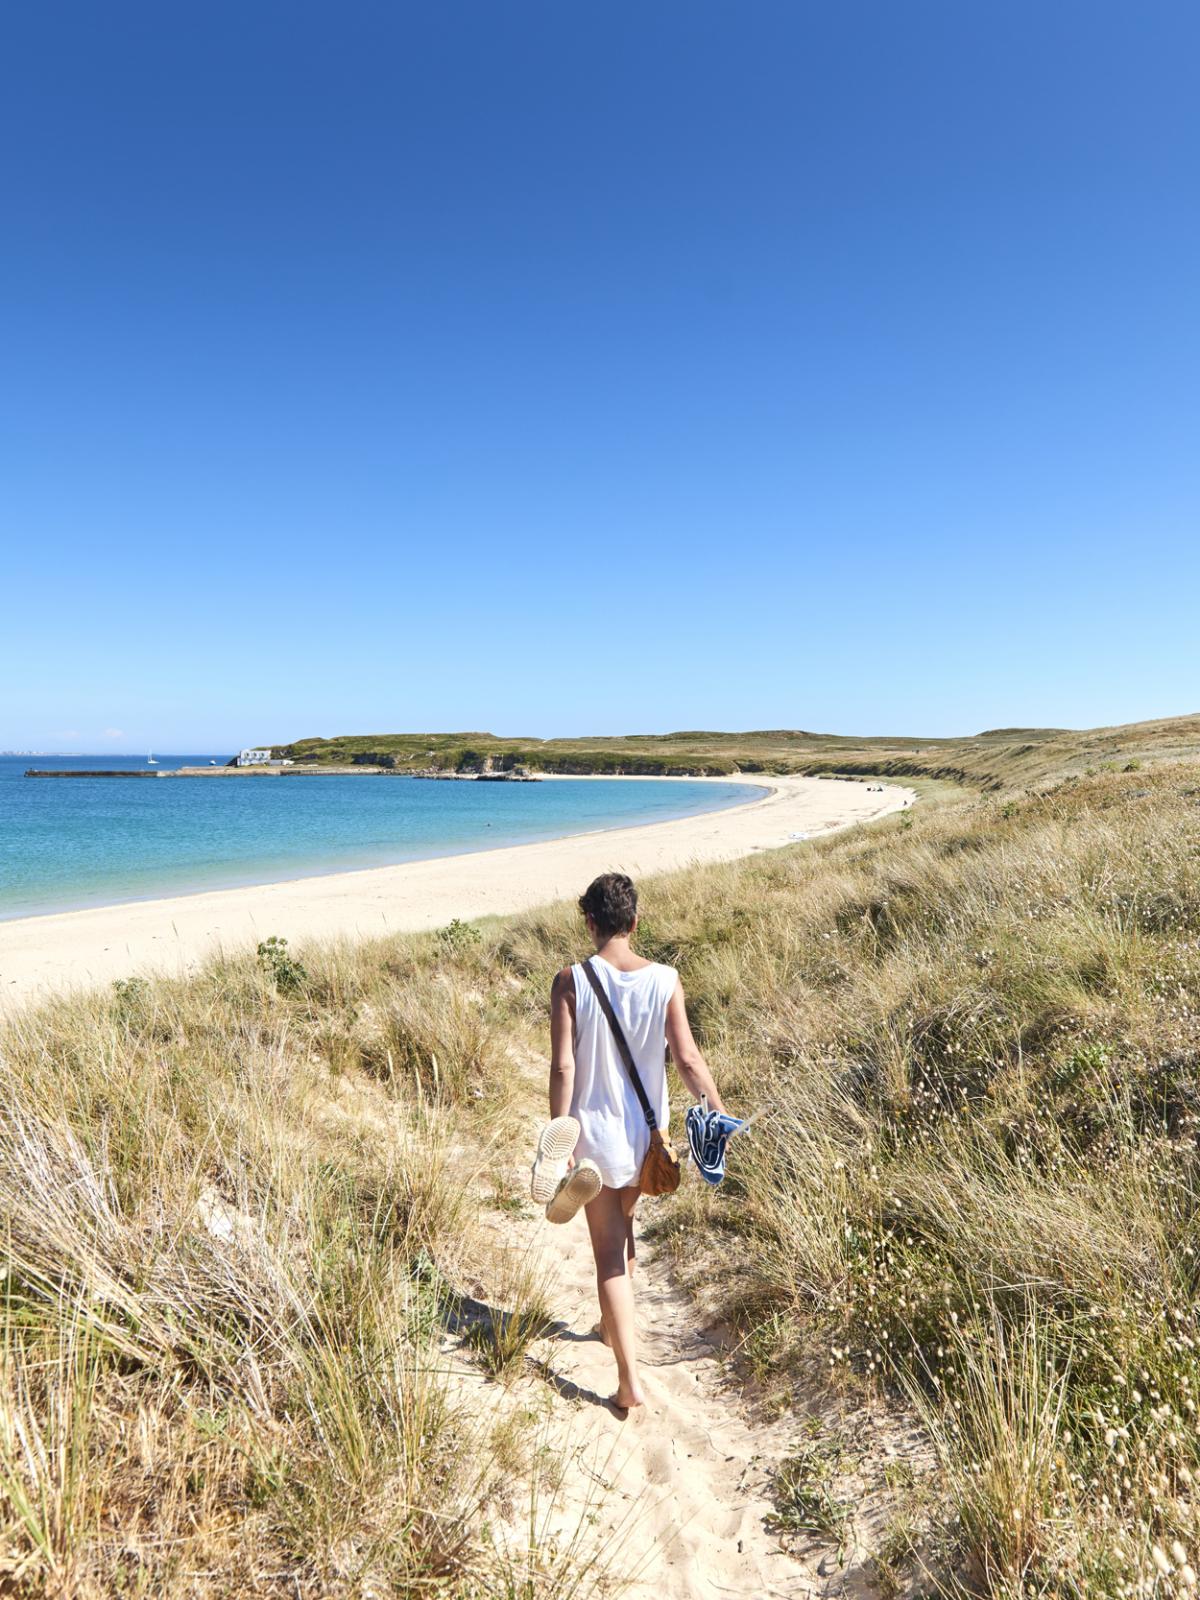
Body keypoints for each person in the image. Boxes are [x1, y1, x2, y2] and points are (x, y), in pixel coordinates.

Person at [540, 871, 727, 1415]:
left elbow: (562, 1065)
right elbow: (688, 1059)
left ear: (591, 923)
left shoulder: (569, 980)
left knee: (608, 1257)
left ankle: (628, 1380)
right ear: (635, 922)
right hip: (648, 1135)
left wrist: (560, 1134)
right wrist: (714, 1106)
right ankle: (607, 1325)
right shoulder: (666, 979)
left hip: (595, 1139)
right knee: (624, 1230)